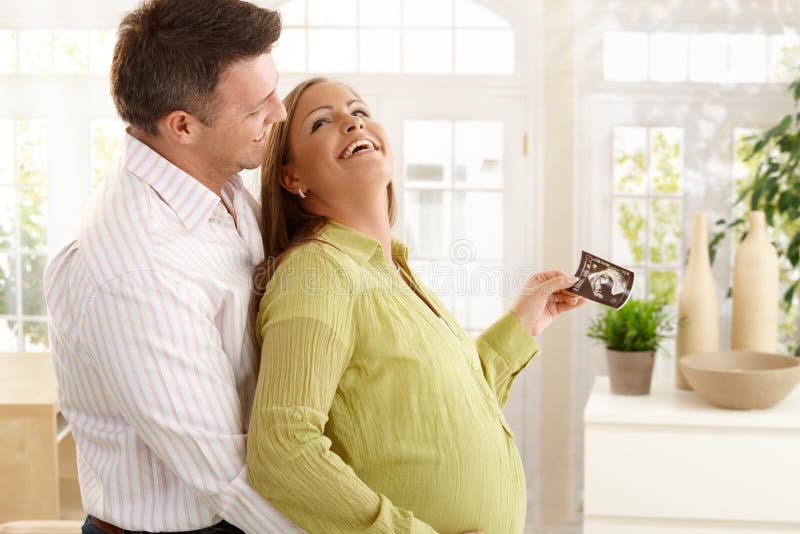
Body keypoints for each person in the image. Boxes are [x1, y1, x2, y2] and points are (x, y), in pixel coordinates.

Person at [245, 77, 587, 534]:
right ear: (292, 177)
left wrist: (523, 322)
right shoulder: (319, 273)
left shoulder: (396, 271)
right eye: (322, 122)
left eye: (359, 111)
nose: (351, 122)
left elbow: (444, 409)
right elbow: (282, 449)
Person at [43, 1, 297, 532]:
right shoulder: (138, 270)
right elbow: (226, 476)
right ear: (182, 125)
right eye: (256, 106)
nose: (279, 113)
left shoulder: (218, 184)